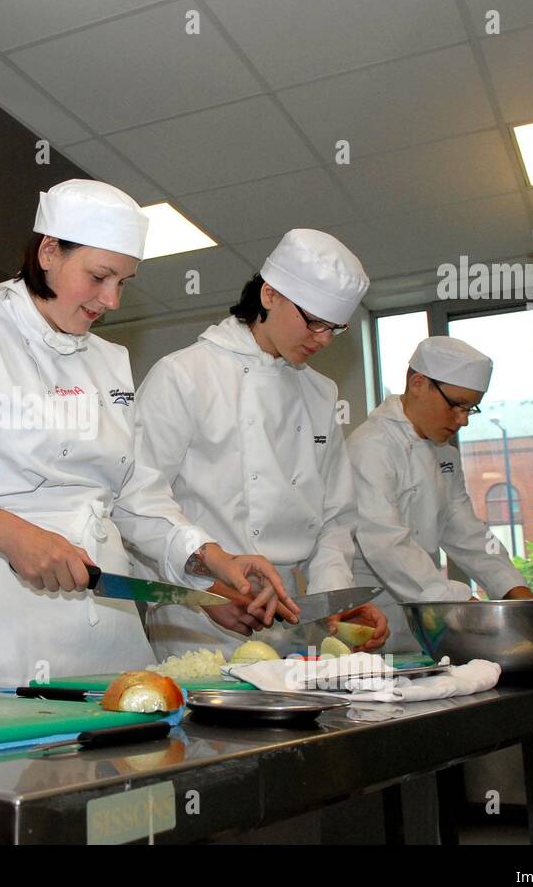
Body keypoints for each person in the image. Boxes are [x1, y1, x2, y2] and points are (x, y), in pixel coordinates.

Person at [0, 179, 296, 691]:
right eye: (100, 276)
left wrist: (211, 555)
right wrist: (7, 532)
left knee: (126, 763)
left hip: (109, 631)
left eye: (123, 282)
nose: (112, 300)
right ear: (49, 251)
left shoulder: (109, 360)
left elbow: (132, 493)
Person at [133, 229, 389, 659]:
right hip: (198, 614)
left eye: (335, 329)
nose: (323, 339)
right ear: (269, 295)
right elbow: (140, 500)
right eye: (314, 322)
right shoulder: (185, 374)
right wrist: (208, 590)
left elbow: (334, 518)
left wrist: (335, 602)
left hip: (289, 613)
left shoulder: (321, 392)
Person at [348, 336, 533, 645]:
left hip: (427, 617)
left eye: (470, 409)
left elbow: (468, 533)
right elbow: (386, 544)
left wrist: (516, 593)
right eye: (456, 405)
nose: (462, 420)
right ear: (419, 383)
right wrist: (460, 605)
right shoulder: (371, 446)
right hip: (372, 622)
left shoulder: (444, 454)